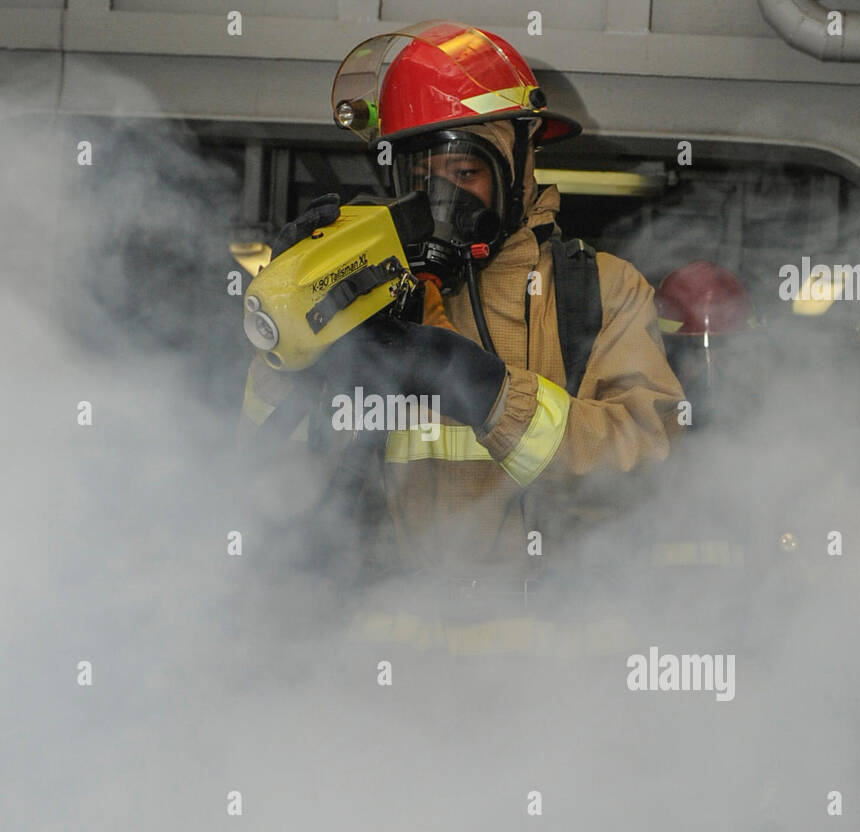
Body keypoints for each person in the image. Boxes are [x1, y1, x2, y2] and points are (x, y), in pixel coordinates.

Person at [239, 21, 684, 656]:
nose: (440, 198)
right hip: (374, 685)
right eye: (421, 176)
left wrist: (491, 395)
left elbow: (649, 473)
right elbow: (261, 491)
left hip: (550, 687)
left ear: (523, 163)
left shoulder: (601, 293)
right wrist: (295, 335)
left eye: (466, 169)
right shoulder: (366, 300)